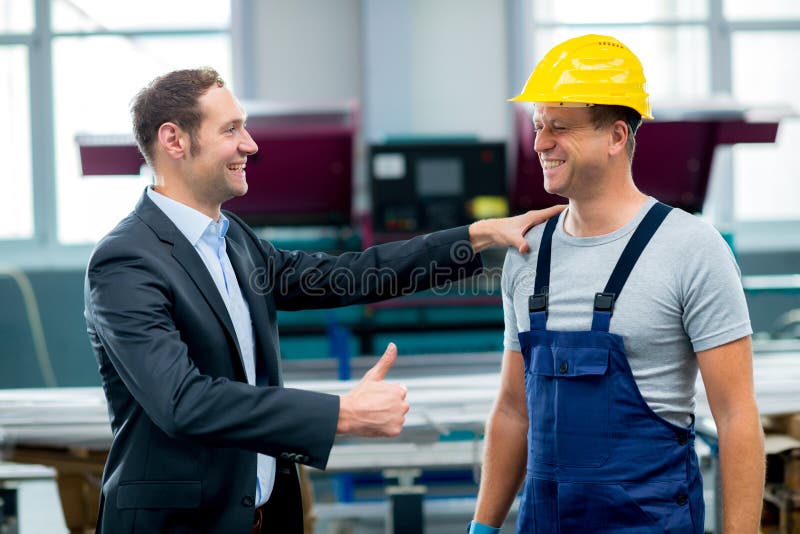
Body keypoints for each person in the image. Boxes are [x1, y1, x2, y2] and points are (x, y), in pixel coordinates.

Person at [83, 67, 564, 534]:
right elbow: (182, 402)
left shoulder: (233, 241)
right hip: (178, 523)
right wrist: (342, 414)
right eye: (231, 129)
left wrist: (477, 238)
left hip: (262, 517)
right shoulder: (126, 260)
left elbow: (345, 276)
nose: (250, 145)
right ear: (175, 140)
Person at [469, 35, 764, 533]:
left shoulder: (691, 248)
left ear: (616, 136)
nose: (541, 143)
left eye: (560, 128)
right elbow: (513, 411)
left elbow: (736, 418)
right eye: (539, 126)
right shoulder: (526, 253)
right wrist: (483, 527)